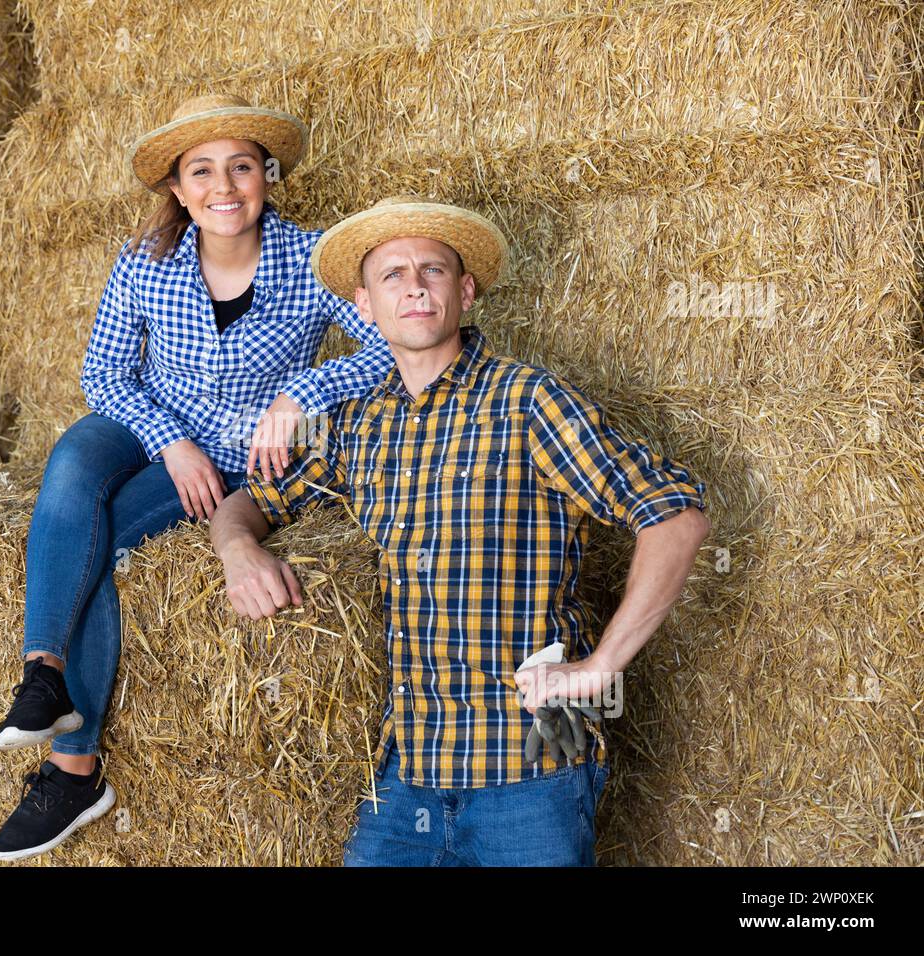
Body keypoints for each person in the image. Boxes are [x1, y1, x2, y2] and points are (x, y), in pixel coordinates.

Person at [209, 196, 711, 866]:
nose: (413, 284)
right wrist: (237, 548)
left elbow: (676, 512)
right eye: (392, 274)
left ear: (466, 291)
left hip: (532, 770)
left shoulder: (528, 402)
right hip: (406, 774)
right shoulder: (358, 425)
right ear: (364, 305)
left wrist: (600, 669)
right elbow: (248, 502)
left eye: (433, 270)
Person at [0, 95, 394, 861]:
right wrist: (169, 440)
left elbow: (393, 345)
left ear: (266, 176)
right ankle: (43, 676)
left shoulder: (311, 261)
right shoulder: (147, 261)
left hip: (238, 453)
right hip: (147, 427)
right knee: (72, 460)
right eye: (201, 171)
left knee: (103, 545)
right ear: (177, 188)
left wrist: (307, 389)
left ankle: (74, 769)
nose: (224, 186)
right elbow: (103, 371)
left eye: (241, 166)